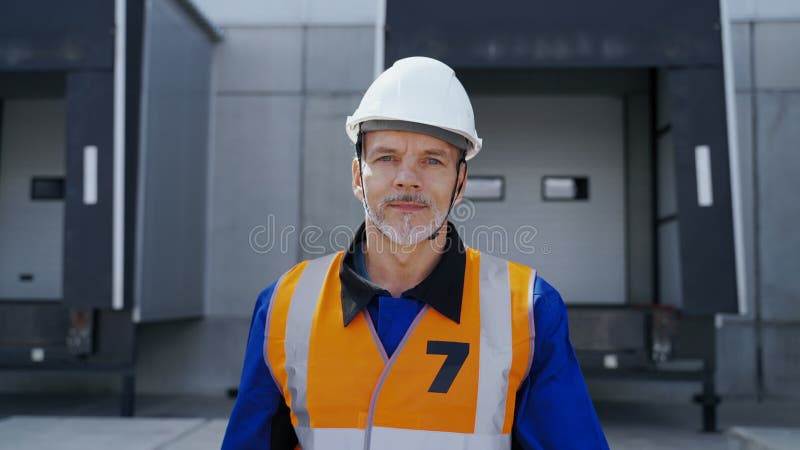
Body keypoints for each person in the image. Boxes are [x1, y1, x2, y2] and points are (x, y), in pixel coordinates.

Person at [222, 56, 609, 450]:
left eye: (432, 160)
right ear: (359, 176)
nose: (407, 178)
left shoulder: (528, 311)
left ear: (460, 182)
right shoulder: (285, 307)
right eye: (387, 157)